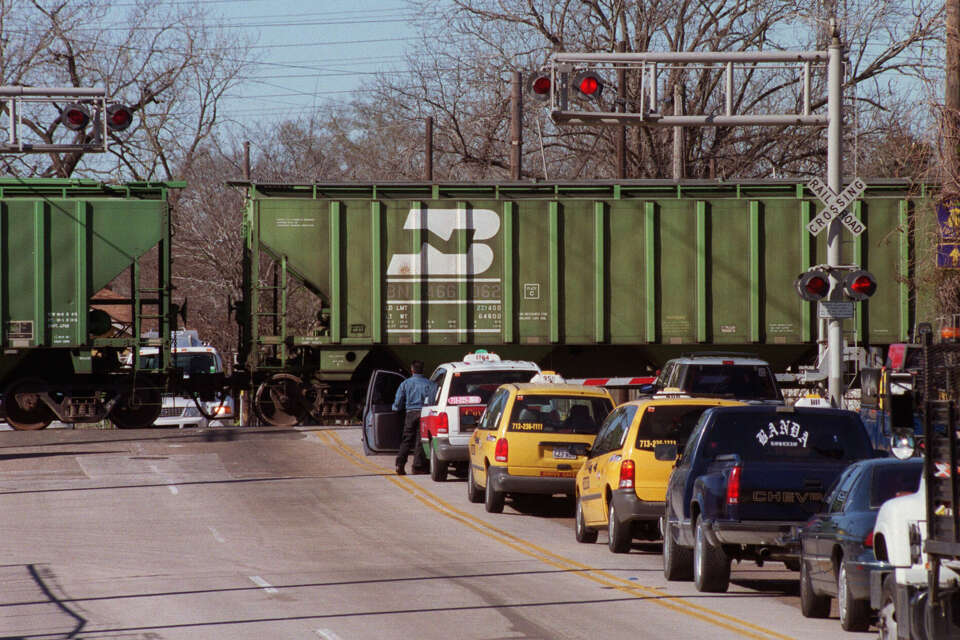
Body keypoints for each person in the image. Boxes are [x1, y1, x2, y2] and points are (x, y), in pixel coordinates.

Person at [392, 360, 436, 475]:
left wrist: (396, 408)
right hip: (424, 413)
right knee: (420, 440)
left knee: (406, 439)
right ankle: (418, 467)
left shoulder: (405, 383)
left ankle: (400, 464)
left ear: (412, 370)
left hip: (410, 413)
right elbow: (432, 400)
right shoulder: (430, 384)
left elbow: (398, 400)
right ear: (423, 370)